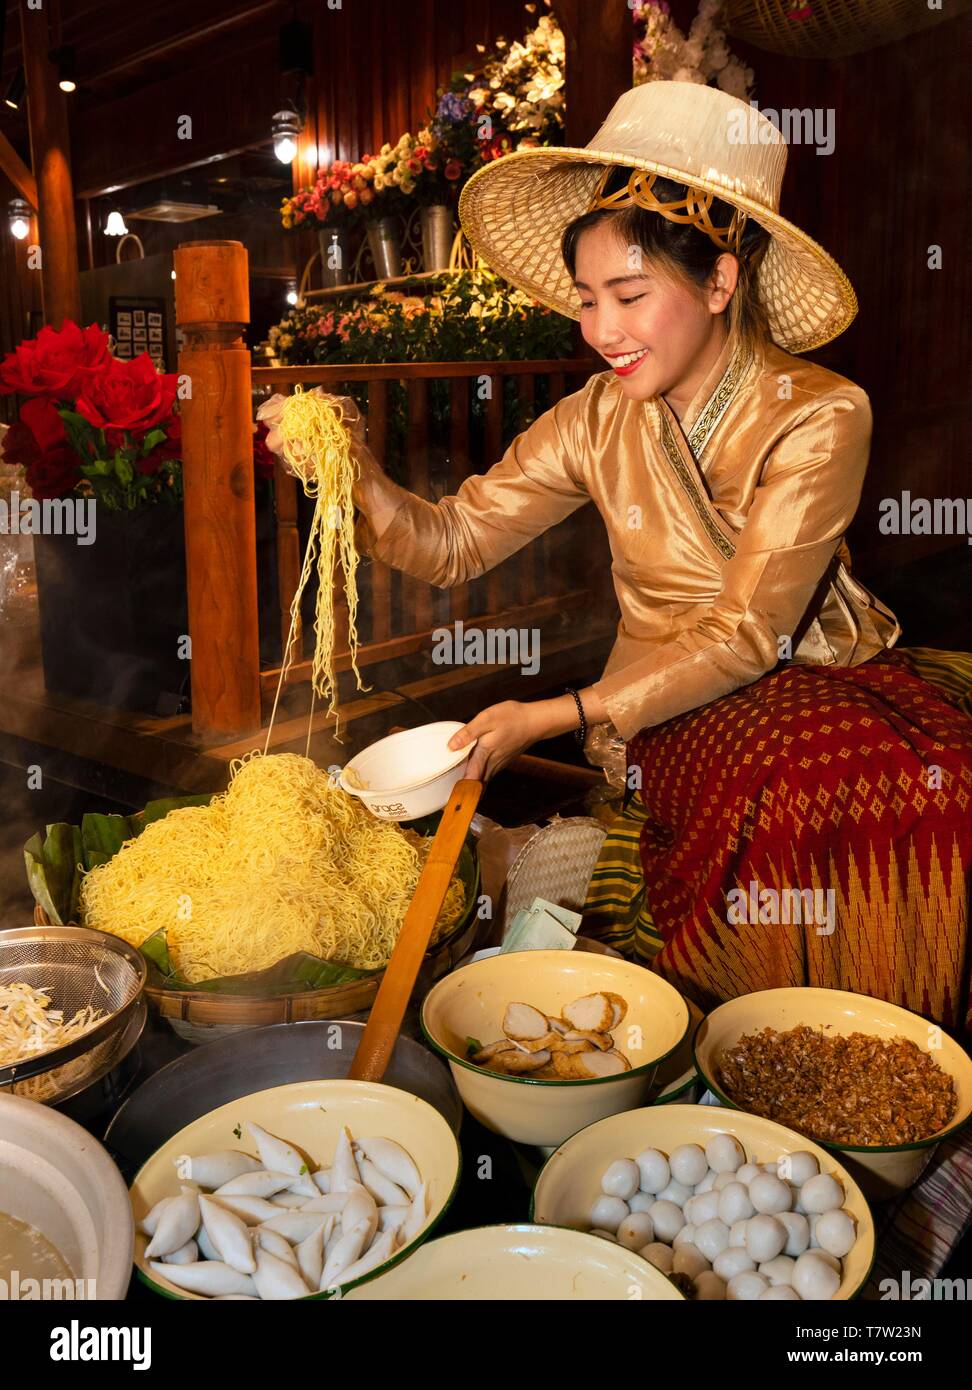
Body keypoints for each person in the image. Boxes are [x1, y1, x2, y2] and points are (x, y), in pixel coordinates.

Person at [271, 82, 972, 1028]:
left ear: (720, 283)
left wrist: (553, 713)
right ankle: (743, 1028)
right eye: (589, 300)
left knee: (926, 790)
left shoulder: (823, 412)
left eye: (631, 296)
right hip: (661, 705)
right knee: (788, 780)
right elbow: (452, 544)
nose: (602, 332)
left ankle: (861, 1046)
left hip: (804, 670)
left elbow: (748, 633)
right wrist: (350, 470)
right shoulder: (594, 420)